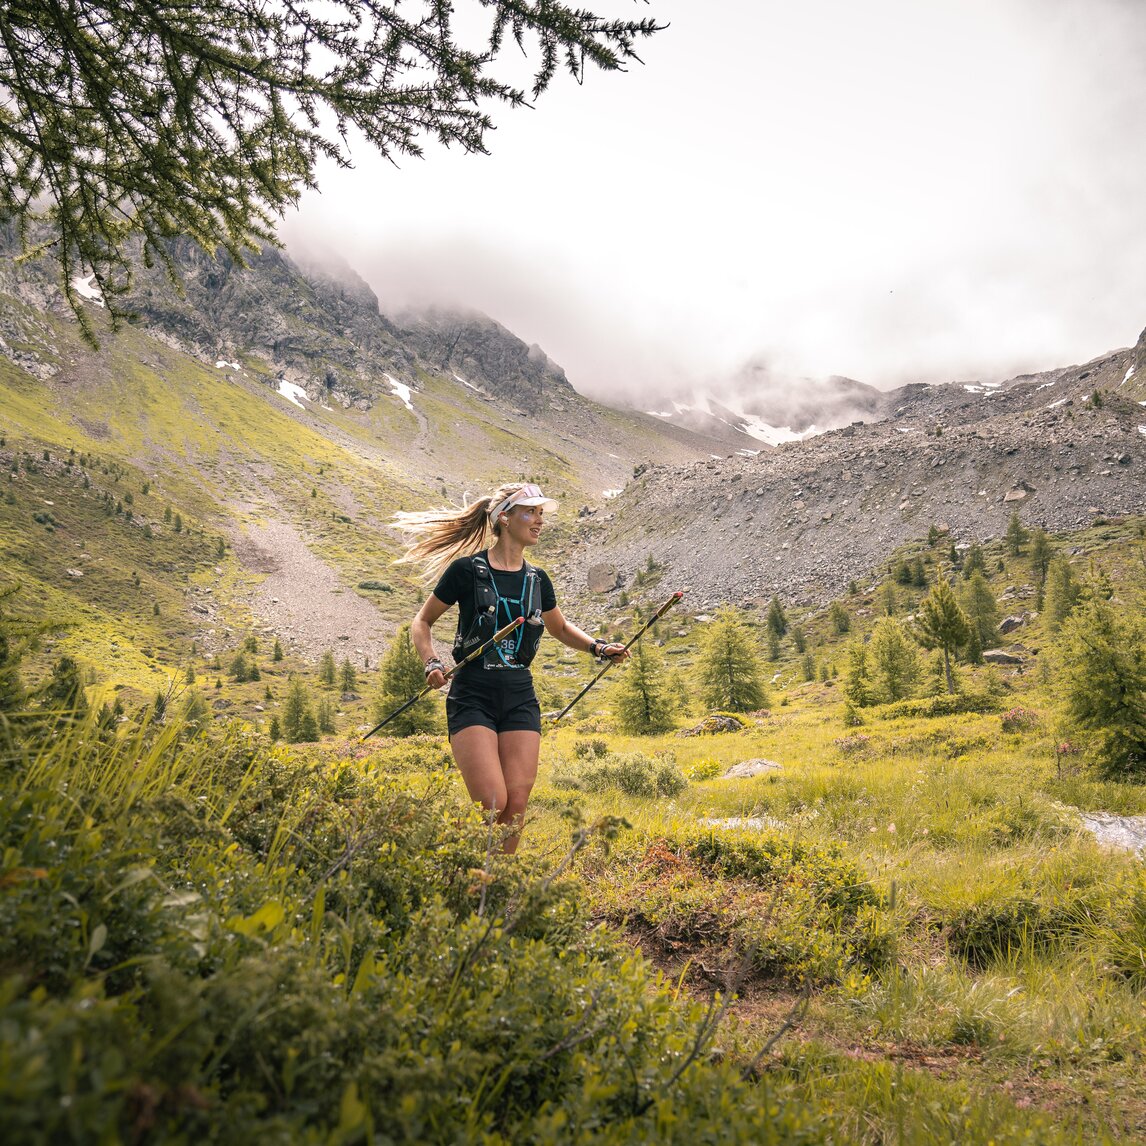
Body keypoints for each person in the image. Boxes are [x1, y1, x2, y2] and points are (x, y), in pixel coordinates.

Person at [398, 482, 628, 853]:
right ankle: (457, 868)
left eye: (540, 513)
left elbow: (560, 628)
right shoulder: (466, 571)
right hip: (473, 694)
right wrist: (432, 663)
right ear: (504, 518)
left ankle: (499, 888)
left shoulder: (537, 579)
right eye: (530, 512)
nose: (539, 521)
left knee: (516, 805)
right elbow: (421, 623)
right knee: (492, 803)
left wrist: (599, 648)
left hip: (520, 695)